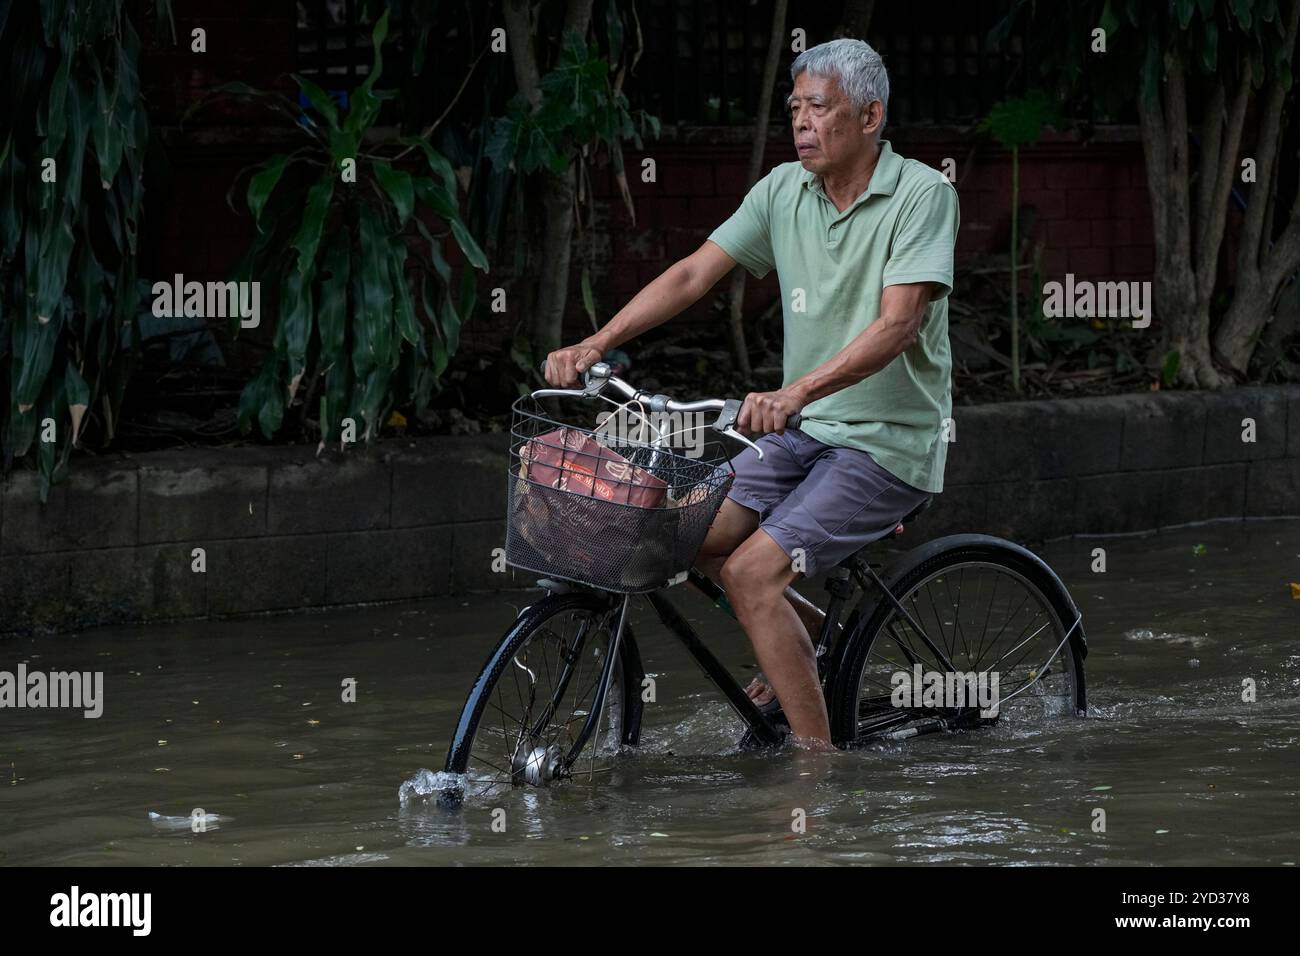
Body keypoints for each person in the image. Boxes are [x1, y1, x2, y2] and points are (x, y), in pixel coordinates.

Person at [543, 38, 959, 751]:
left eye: (817, 108)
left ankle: (819, 774)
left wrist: (796, 391)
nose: (800, 122)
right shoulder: (782, 191)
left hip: (887, 444)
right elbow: (691, 276)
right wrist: (594, 342)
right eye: (794, 107)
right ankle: (813, 639)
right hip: (802, 431)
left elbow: (898, 326)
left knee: (753, 575)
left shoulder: (923, 195)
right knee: (687, 531)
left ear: (868, 116)